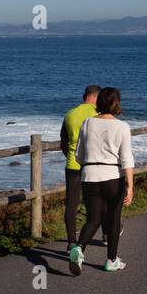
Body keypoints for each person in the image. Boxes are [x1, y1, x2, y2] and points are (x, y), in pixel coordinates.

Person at [69, 87, 134, 274]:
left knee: (93, 218)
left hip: (89, 176)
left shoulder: (87, 123)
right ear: (116, 103)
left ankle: (79, 249)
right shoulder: (122, 127)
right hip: (113, 177)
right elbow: (126, 158)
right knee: (113, 219)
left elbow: (79, 155)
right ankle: (112, 260)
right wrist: (130, 185)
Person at [59, 84, 100, 250]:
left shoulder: (70, 114)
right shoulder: (97, 115)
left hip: (72, 165)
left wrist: (70, 155)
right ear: (95, 97)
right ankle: (104, 234)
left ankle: (71, 241)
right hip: (92, 164)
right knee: (98, 202)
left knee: (71, 205)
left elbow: (63, 142)